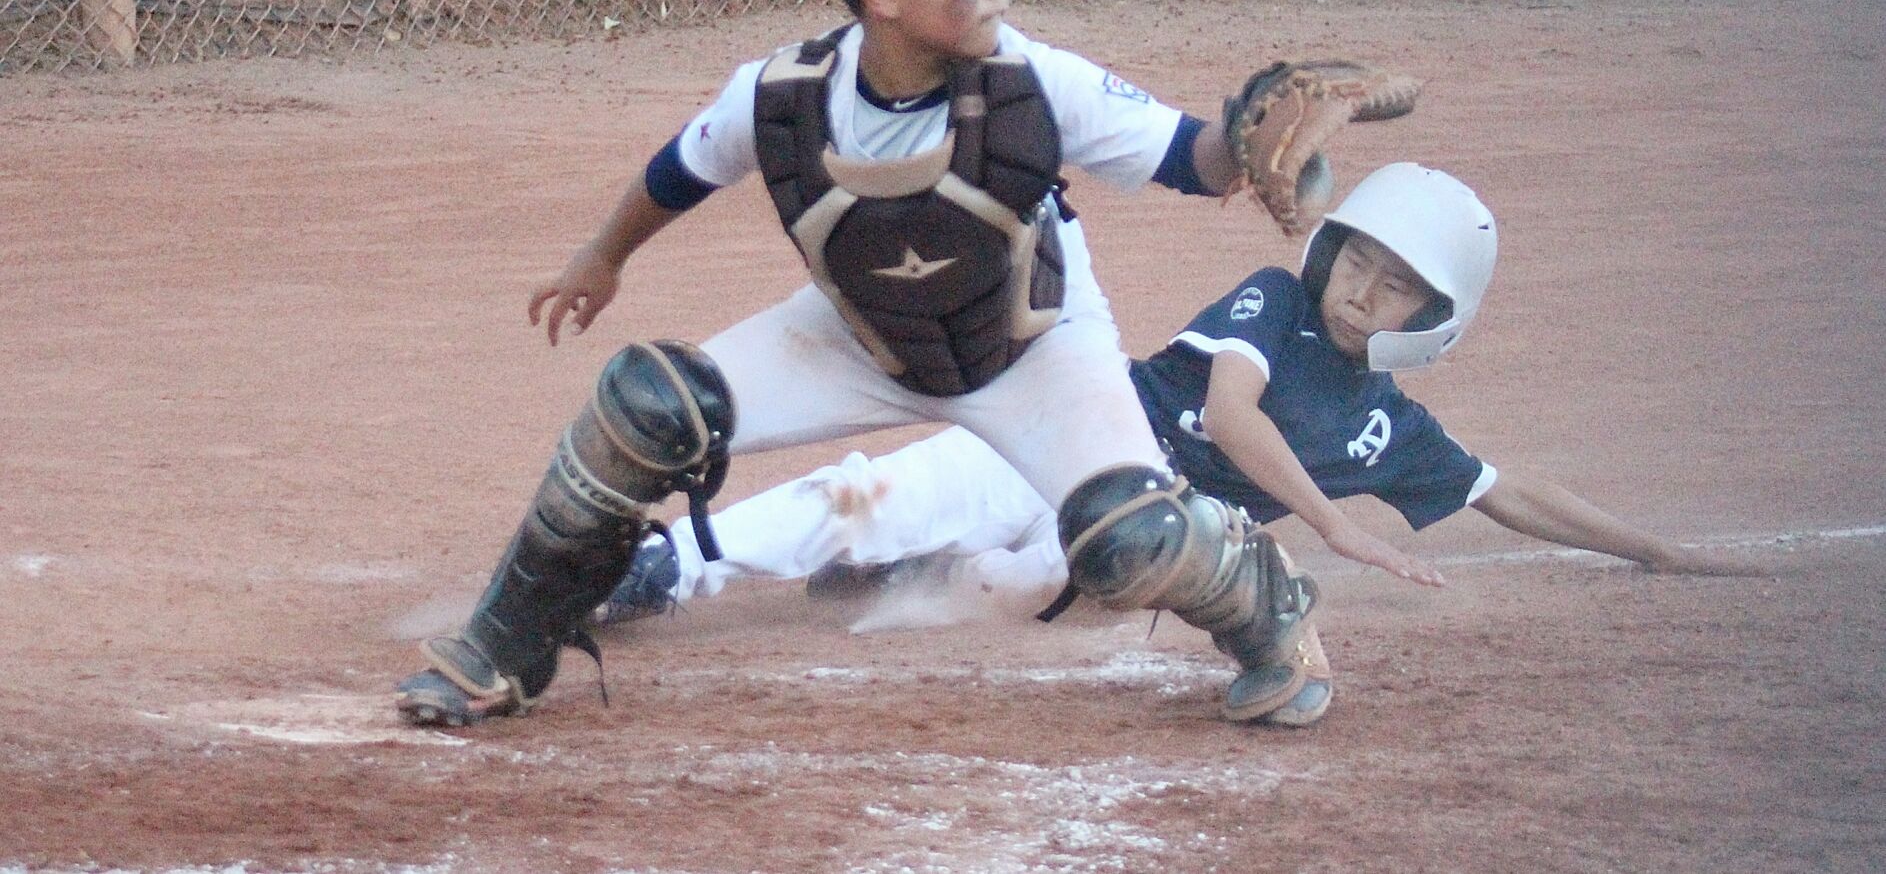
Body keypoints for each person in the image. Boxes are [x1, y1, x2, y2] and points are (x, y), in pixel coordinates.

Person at [395, 0, 1369, 728]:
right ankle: (507, 642)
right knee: (644, 406)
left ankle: (1259, 601)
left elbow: (1189, 158)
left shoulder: (1038, 84)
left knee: (1128, 538)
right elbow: (678, 171)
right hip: (853, 334)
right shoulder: (783, 95)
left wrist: (1243, 131)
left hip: (1033, 349)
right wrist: (601, 259)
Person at [595, 163, 1766, 727]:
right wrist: (1329, 521)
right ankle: (658, 566)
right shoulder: (1274, 305)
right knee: (873, 488)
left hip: (1124, 550)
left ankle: (900, 584)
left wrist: (1659, 555)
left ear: (1431, 318)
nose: (1364, 290)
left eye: (1398, 286)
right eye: (1358, 259)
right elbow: (1239, 413)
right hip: (1070, 435)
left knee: (992, 587)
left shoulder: (1390, 428)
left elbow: (1511, 495)